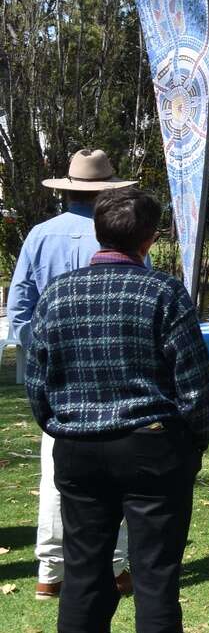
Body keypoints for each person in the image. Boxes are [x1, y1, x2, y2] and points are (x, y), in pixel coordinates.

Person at [24, 186, 209, 633]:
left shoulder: (58, 294)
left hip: (80, 450)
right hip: (151, 447)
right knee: (155, 581)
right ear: (149, 238)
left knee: (84, 579)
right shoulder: (163, 292)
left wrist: (63, 428)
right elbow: (197, 387)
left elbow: (38, 382)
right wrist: (191, 446)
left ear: (99, 233)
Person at [5, 149, 135, 601]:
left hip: (57, 374)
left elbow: (18, 312)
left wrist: (44, 346)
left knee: (57, 469)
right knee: (119, 468)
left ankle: (51, 570)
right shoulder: (123, 237)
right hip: (114, 367)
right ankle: (117, 566)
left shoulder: (40, 236)